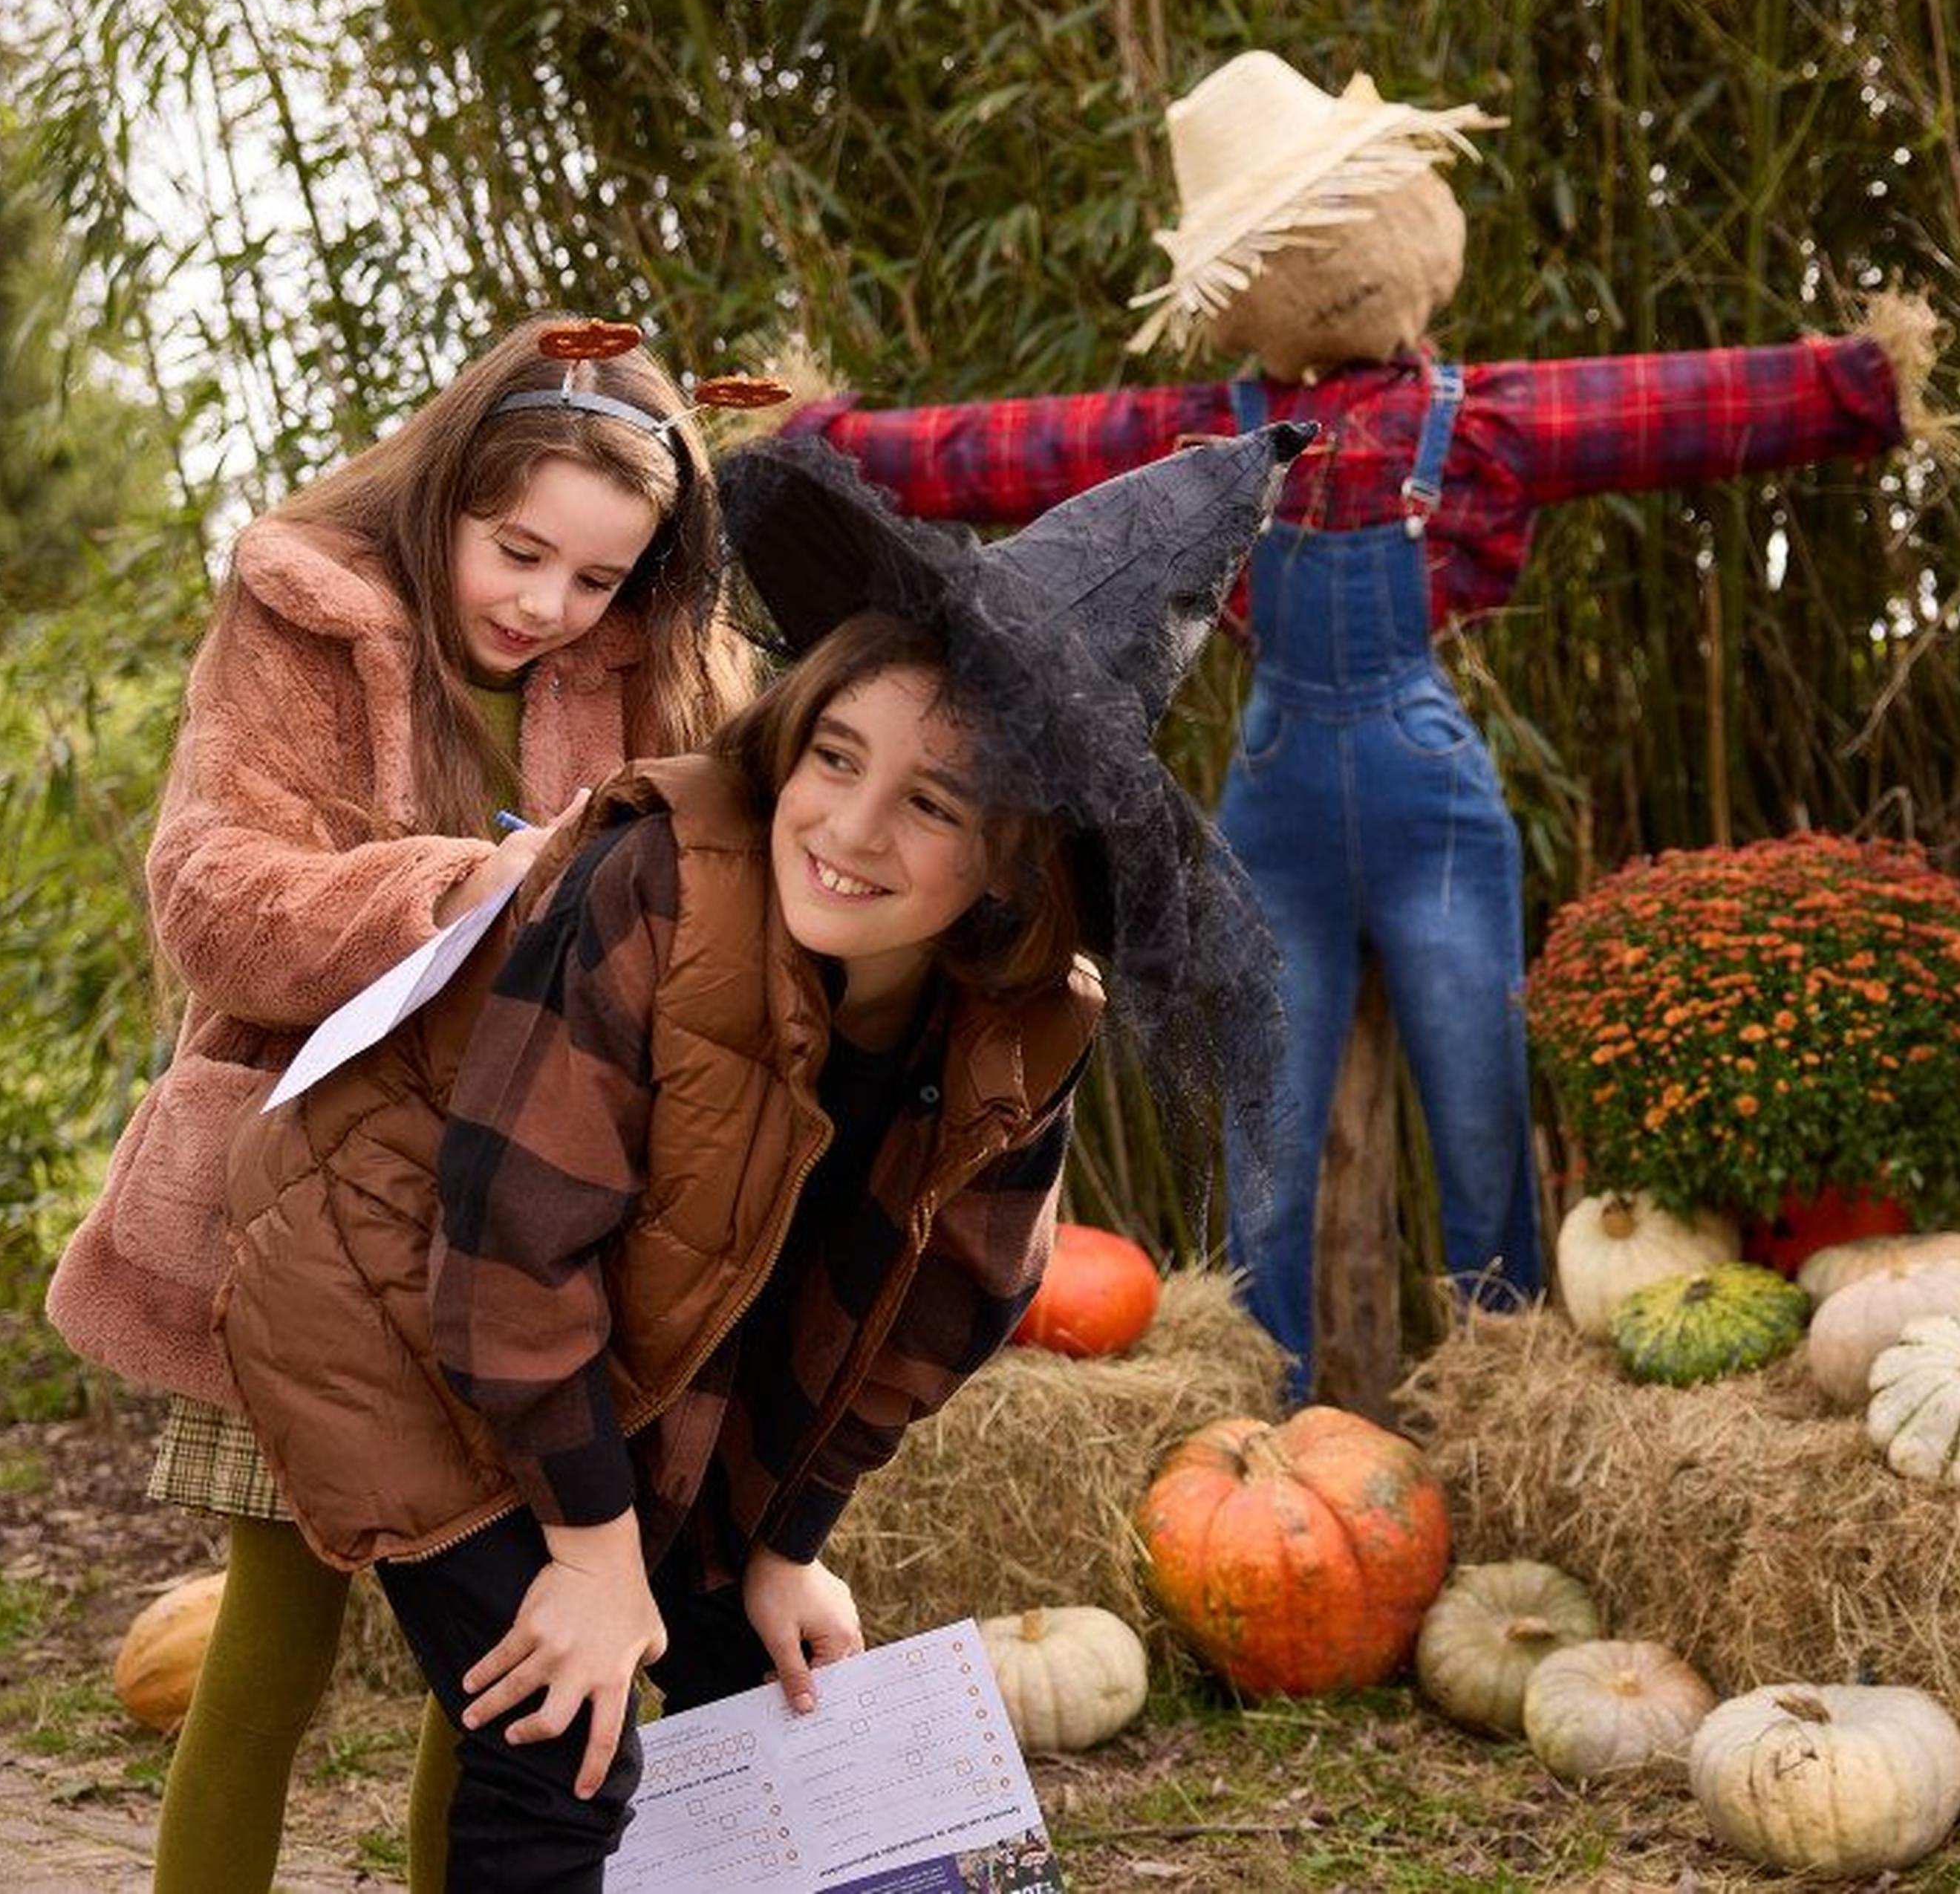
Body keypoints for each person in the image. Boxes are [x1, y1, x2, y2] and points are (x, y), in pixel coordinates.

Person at [213, 423, 1303, 1887]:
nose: (847, 829)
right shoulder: (654, 878)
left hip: (616, 1351)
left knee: (763, 1684)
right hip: (401, 1291)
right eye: (834, 757)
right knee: (565, 1741)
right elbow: (513, 1241)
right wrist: (598, 1554)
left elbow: (925, 1322)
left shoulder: (1026, 1026)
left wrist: (782, 1544)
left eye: (931, 804)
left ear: (1019, 856)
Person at [789, 51, 1930, 1402]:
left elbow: (1019, 447)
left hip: (1408, 818)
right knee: (1275, 1117)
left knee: (1469, 1103)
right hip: (1326, 819)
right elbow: (1015, 446)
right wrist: (1863, 383)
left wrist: (824, 439)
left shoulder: (1317, 428)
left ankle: (1492, 1395)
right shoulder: (1309, 431)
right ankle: (1274, 1410)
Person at [45, 313, 759, 1891]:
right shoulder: (307, 611)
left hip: (520, 1229)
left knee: (508, 1671)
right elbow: (211, 895)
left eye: (596, 579)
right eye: (518, 552)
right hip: (291, 1226)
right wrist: (464, 890)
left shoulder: (656, 666)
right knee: (270, 1650)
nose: (548, 605)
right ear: (447, 490)